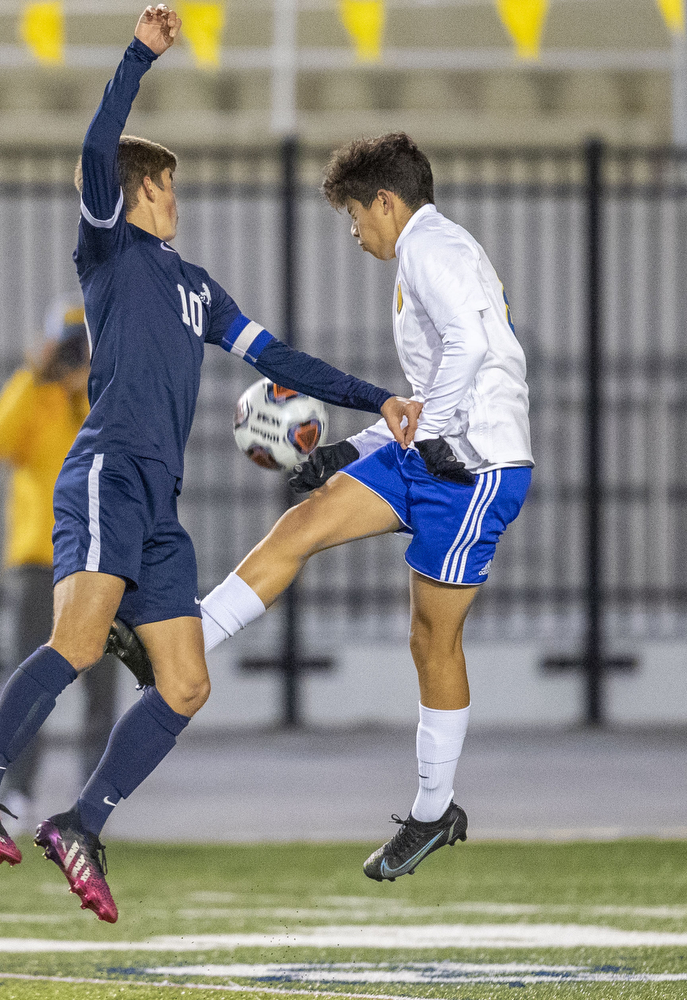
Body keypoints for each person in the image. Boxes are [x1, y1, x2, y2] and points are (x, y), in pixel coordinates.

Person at [0, 4, 406, 924]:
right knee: (76, 644)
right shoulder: (109, 251)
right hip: (108, 471)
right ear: (135, 191)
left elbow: (277, 360)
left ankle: (82, 821)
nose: (175, 198)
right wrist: (137, 56)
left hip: (159, 501)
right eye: (166, 186)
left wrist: (372, 398)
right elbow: (97, 142)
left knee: (186, 683)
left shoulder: (195, 286)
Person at [116, 132, 533, 883]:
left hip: (478, 466)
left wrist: (431, 439)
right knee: (299, 528)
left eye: (353, 214)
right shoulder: (422, 256)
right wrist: (353, 448)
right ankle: (176, 648)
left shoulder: (432, 249)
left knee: (430, 638)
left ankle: (436, 811)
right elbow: (437, 383)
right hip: (431, 451)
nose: (353, 231)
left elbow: (473, 346)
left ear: (386, 202)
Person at [0, 302, 120, 826]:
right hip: (40, 560)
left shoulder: (103, 396)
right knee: (32, 681)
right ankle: (17, 791)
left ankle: (91, 794)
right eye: (70, 346)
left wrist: (88, 383)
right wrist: (35, 376)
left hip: (101, 560)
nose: (76, 356)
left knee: (101, 686)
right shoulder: (38, 399)